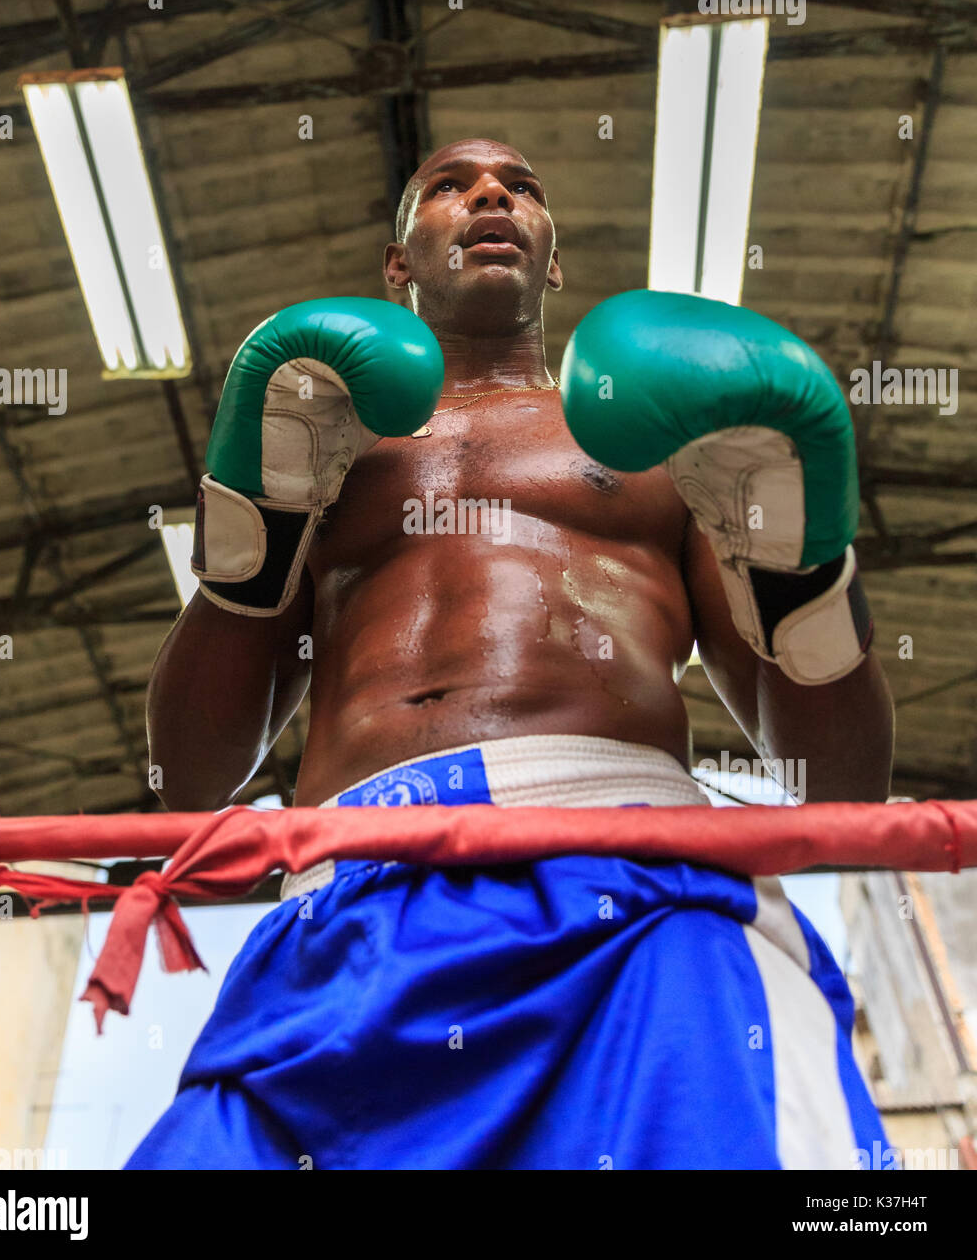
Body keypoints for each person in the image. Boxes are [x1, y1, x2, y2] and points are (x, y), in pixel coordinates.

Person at [127, 138, 894, 1170]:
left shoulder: (664, 455)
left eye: (518, 187)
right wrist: (248, 547)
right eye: (448, 186)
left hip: (633, 893)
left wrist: (803, 576)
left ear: (552, 256)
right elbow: (187, 773)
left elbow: (836, 785)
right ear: (396, 265)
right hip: (355, 887)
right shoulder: (316, 453)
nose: (489, 193)